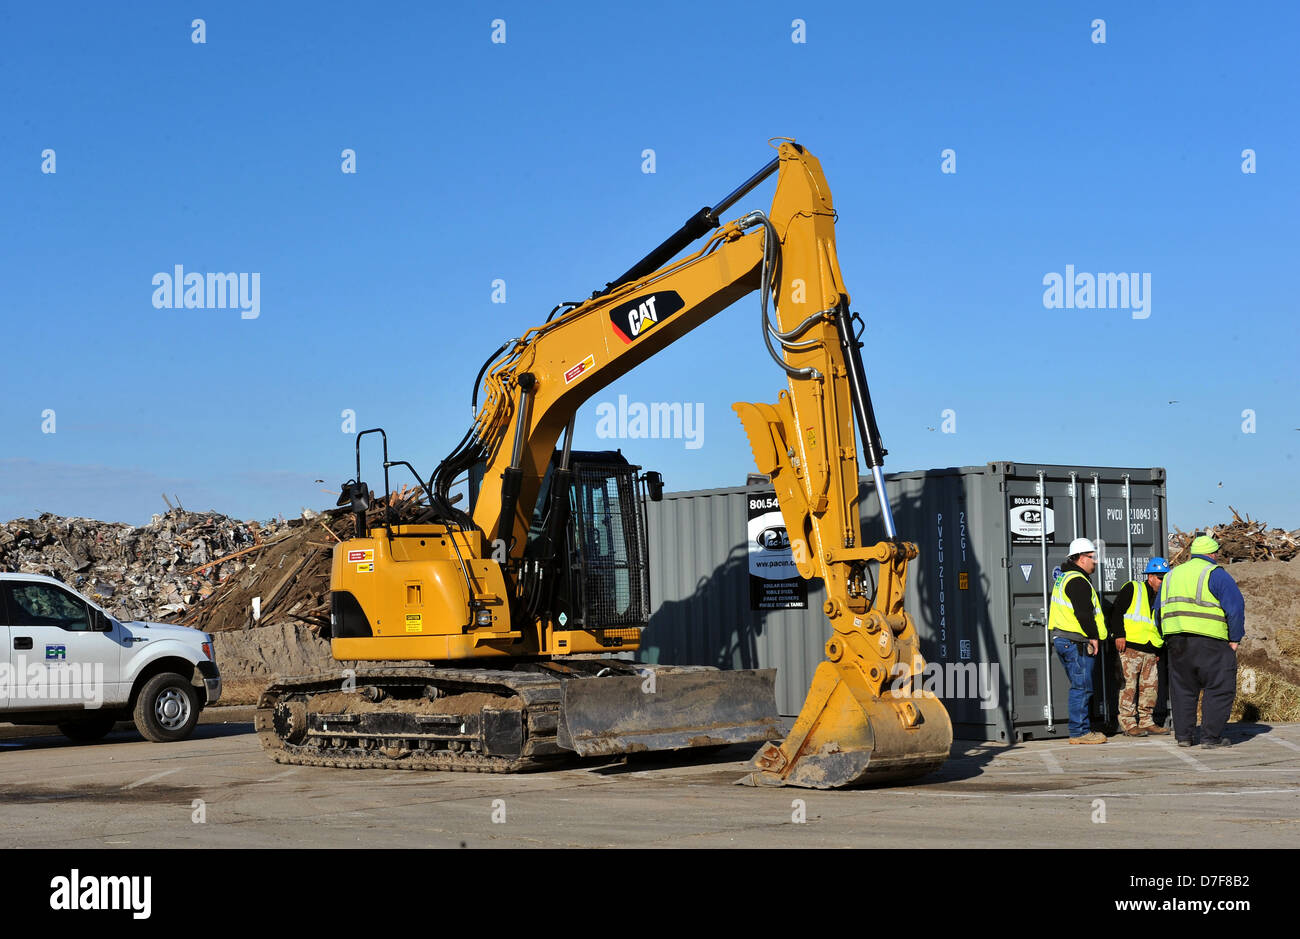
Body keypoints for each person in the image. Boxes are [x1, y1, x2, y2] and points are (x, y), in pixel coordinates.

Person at [1159, 535, 1246, 748]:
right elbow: (1235, 608)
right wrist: (1234, 638)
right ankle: (1210, 737)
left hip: (1176, 641)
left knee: (1182, 690)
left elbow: (1157, 610)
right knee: (1218, 687)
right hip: (1211, 642)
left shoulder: (1171, 575)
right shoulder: (1215, 574)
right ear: (1212, 554)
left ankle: (1184, 737)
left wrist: (1167, 635)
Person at [1048, 537, 1108, 744]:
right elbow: (1084, 614)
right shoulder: (1077, 581)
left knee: (1079, 685)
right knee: (1082, 687)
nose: (1095, 562)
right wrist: (1093, 637)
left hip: (1065, 639)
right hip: (1076, 641)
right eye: (1093, 557)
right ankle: (1079, 732)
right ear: (1082, 558)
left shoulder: (1065, 578)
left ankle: (1080, 729)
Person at [1108, 558, 1172, 737]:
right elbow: (1116, 612)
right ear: (1150, 576)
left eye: (1165, 578)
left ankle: (1146, 721)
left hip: (1151, 649)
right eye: (1160, 578)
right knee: (1128, 688)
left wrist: (1159, 650)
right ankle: (1128, 724)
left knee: (1150, 689)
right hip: (1130, 648)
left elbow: (1158, 624)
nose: (1163, 582)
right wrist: (1119, 635)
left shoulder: (1164, 597)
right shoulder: (1133, 588)